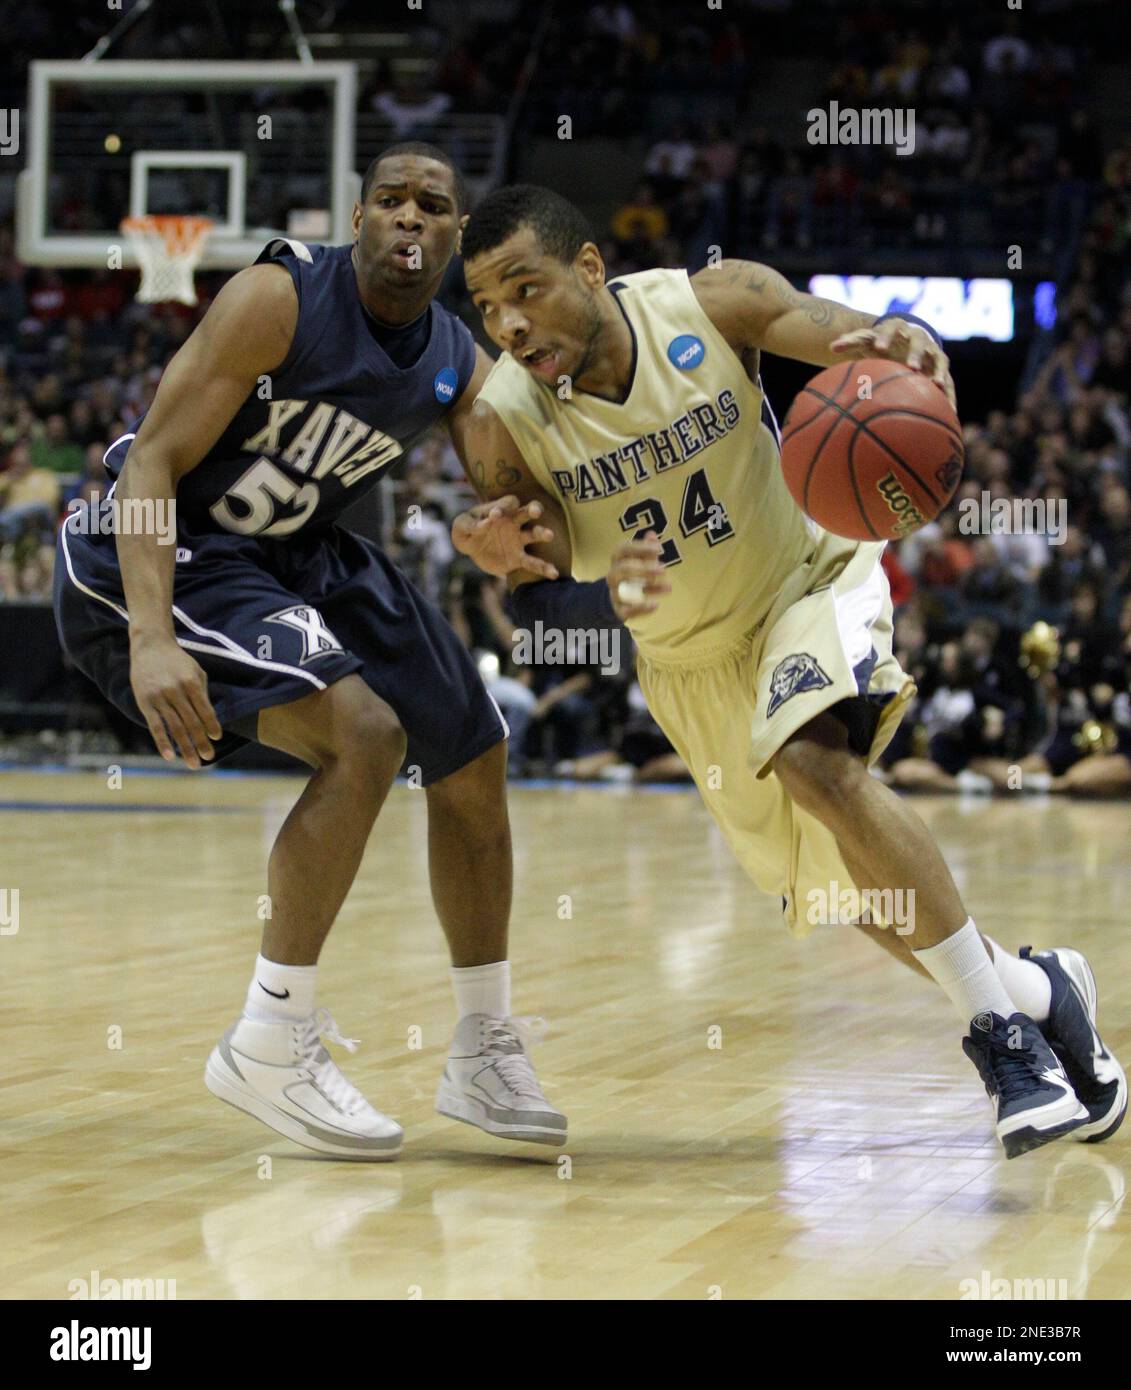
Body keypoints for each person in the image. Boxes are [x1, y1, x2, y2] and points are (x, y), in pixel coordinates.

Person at [450, 184, 1125, 1158]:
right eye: (486, 305)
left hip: (806, 580)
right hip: (690, 666)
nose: (510, 322)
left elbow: (846, 334)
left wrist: (898, 336)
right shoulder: (501, 418)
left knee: (816, 764)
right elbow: (541, 550)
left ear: (589, 268)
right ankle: (1039, 988)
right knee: (863, 895)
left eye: (527, 288)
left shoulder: (710, 303)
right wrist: (507, 548)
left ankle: (1000, 1036)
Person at [53, 147, 565, 1161]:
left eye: (433, 206)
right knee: (363, 736)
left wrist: (503, 529)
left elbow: (509, 491)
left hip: (295, 554)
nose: (409, 220)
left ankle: (481, 1042)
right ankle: (271, 1038)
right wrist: (153, 638)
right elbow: (151, 456)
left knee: (472, 743)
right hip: (162, 553)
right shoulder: (277, 298)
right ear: (359, 215)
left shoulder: (455, 355)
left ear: (457, 236)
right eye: (390, 201)